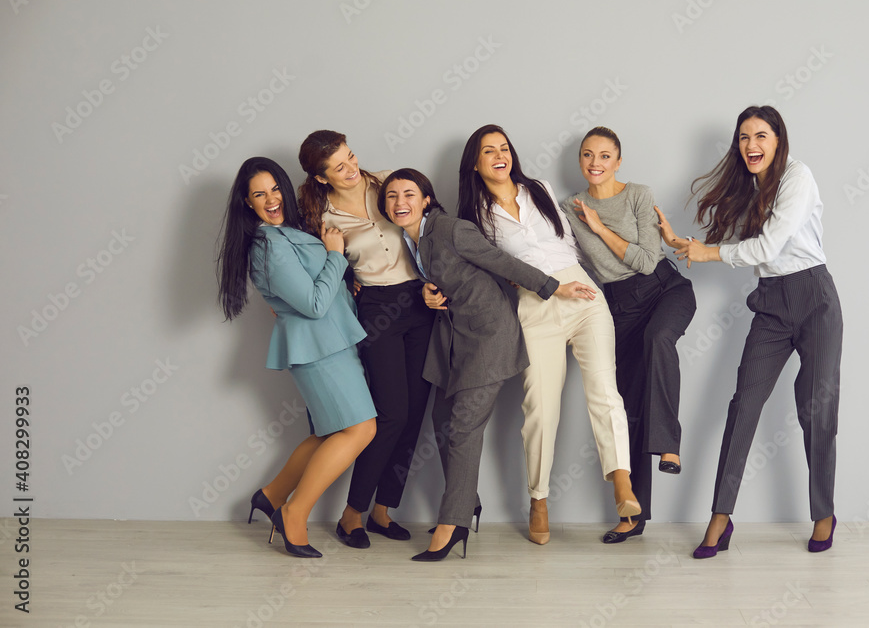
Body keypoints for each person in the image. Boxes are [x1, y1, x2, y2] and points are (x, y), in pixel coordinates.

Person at [377, 168, 596, 561]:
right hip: (453, 339)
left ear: (427, 199)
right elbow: (445, 275)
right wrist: (426, 291)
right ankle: (468, 503)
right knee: (442, 422)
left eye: (409, 194)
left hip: (489, 335)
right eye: (391, 196)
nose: (399, 203)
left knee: (463, 427)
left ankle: (452, 524)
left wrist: (553, 286)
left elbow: (500, 262)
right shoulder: (415, 241)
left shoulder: (450, 229)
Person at [447, 124, 637, 545]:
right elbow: (489, 270)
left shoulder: (540, 189)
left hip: (582, 293)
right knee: (540, 407)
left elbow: (570, 242)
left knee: (605, 391)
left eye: (504, 147)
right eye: (488, 151)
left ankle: (621, 481)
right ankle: (539, 498)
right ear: (475, 165)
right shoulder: (472, 217)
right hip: (534, 305)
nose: (500, 155)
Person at [666, 106, 842, 557]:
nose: (751, 146)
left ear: (779, 140)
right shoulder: (748, 190)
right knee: (743, 405)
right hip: (771, 304)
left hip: (814, 298)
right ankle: (721, 518)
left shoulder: (797, 176)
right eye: (743, 138)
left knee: (816, 410)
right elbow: (728, 245)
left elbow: (768, 246)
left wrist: (709, 255)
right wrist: (685, 246)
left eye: (760, 136)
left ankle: (824, 513)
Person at [217, 156, 376, 558]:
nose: (270, 199)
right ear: (247, 203)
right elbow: (313, 303)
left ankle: (270, 497)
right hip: (318, 346)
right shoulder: (268, 245)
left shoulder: (286, 232)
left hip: (332, 342)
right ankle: (294, 512)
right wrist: (336, 255)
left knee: (327, 434)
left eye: (274, 189)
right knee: (362, 430)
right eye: (259, 194)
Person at [297, 130, 435, 549]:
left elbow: (431, 229)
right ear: (322, 178)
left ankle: (383, 512)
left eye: (351, 156)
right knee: (390, 415)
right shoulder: (320, 216)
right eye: (339, 166)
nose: (351, 167)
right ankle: (351, 514)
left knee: (414, 414)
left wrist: (438, 284)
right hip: (376, 309)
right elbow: (317, 269)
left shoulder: (390, 183)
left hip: (421, 301)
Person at [562, 127, 697, 543]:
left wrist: (599, 228)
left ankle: (669, 444)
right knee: (627, 408)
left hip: (664, 289)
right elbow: (565, 255)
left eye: (605, 156)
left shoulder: (638, 193)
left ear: (618, 161)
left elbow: (644, 260)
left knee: (659, 341)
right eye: (588, 155)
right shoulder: (570, 209)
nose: (595, 163)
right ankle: (632, 515)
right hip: (620, 308)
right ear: (580, 161)